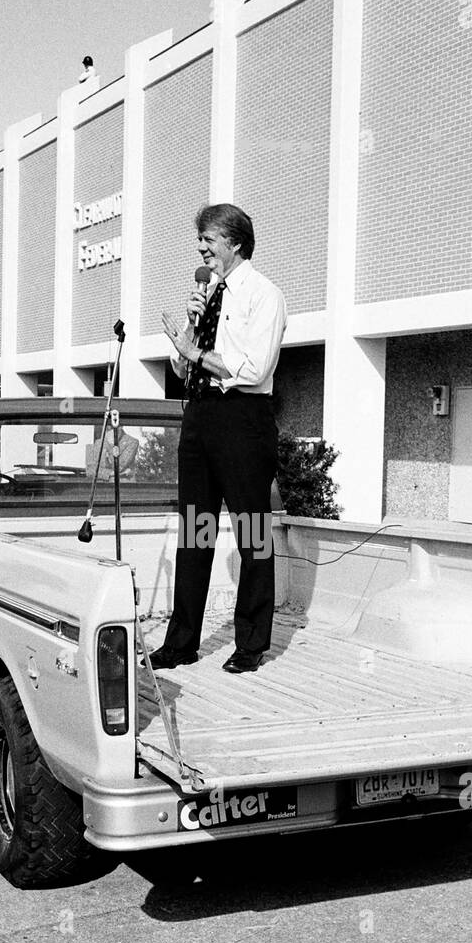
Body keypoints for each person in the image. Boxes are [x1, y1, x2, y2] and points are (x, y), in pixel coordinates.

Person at [149, 203, 287, 674]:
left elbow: (254, 368)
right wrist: (188, 335)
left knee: (252, 534)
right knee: (195, 532)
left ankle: (251, 644)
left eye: (208, 239)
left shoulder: (264, 295)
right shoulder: (208, 293)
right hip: (200, 415)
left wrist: (195, 352)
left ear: (235, 242)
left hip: (242, 418)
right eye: (200, 239)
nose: (201, 248)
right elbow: (184, 367)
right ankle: (181, 643)